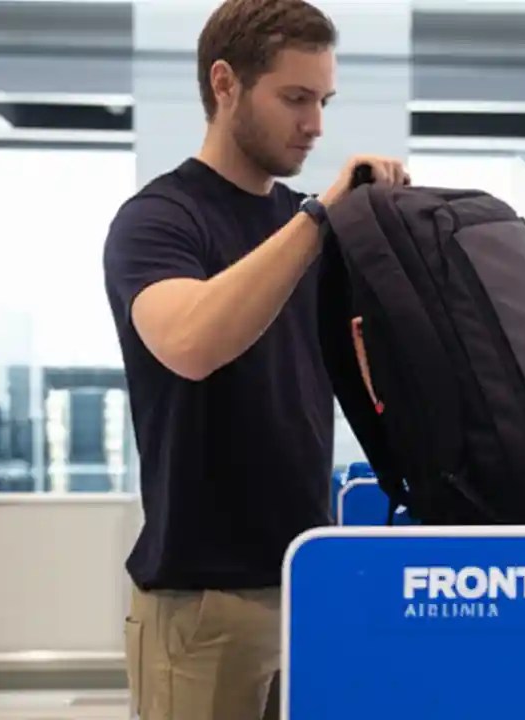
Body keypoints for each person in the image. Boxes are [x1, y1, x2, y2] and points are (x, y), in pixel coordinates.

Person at [101, 0, 408, 717]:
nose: (317, 124)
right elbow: (191, 343)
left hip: (307, 582)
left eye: (324, 101)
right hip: (203, 604)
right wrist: (318, 219)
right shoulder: (159, 220)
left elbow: (380, 363)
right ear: (225, 84)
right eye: (295, 98)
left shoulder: (304, 224)